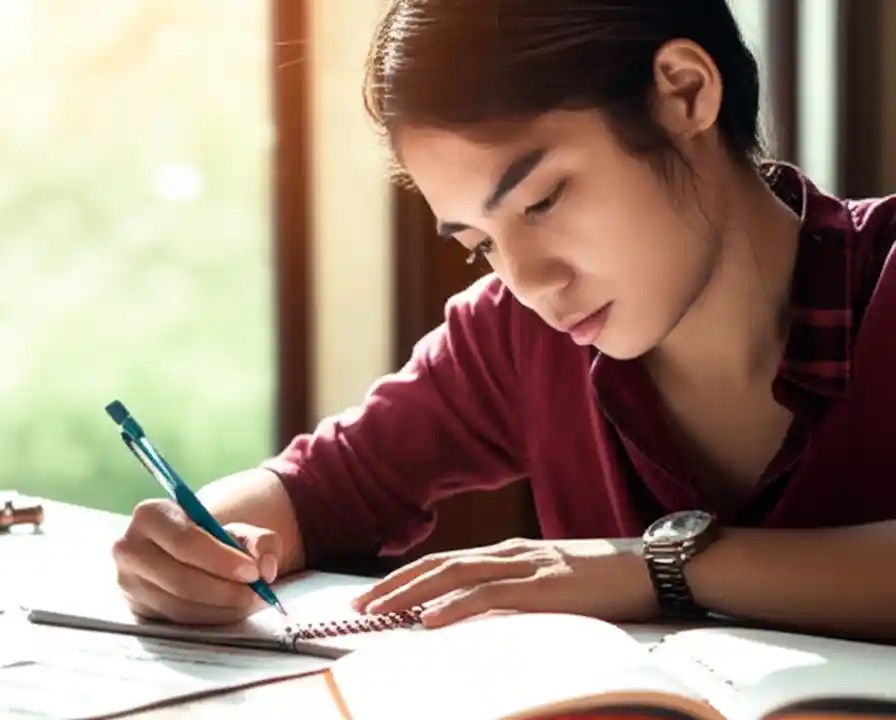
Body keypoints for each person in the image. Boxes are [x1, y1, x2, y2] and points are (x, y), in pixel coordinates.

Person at [112, 0, 896, 641]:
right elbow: (315, 490)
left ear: (685, 93)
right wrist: (191, 546)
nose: (530, 281)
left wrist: (653, 570)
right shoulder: (519, 337)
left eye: (543, 200)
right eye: (480, 244)